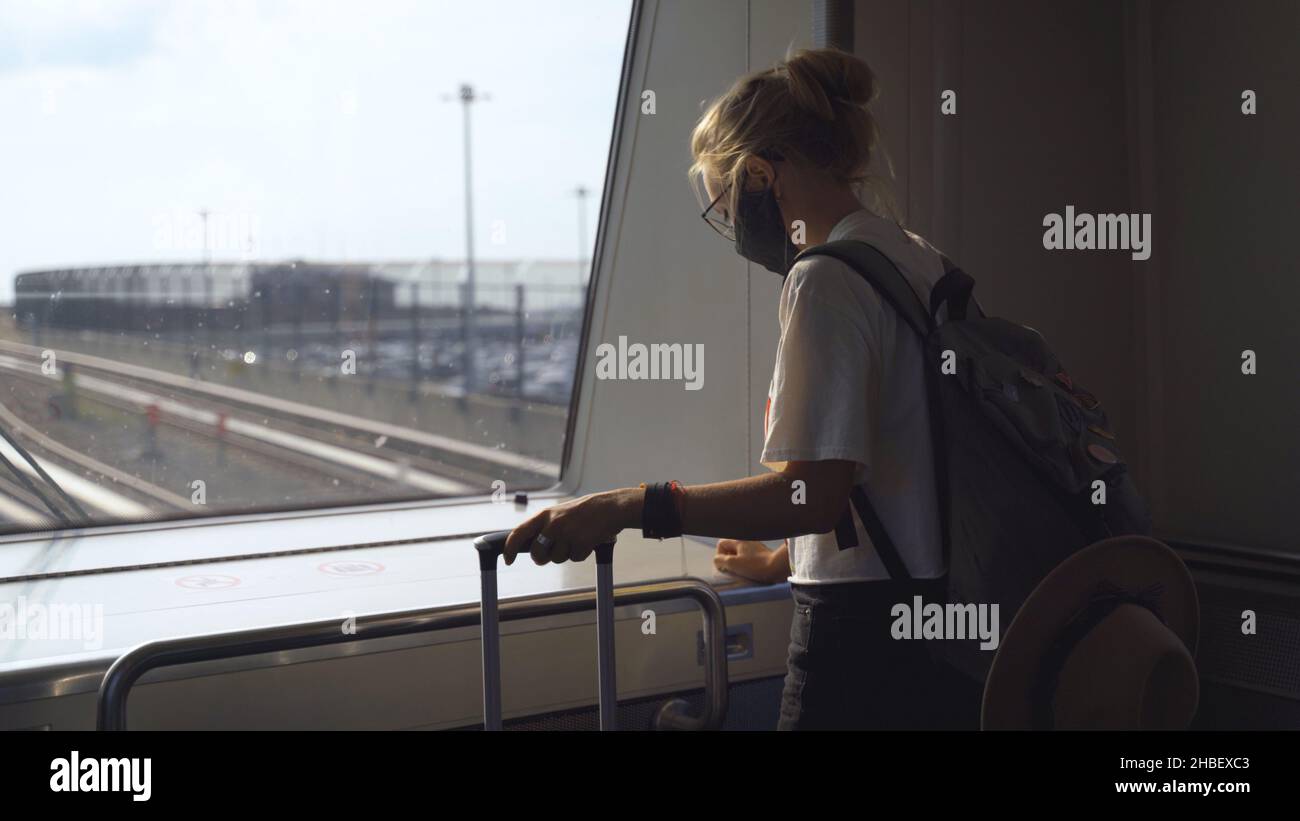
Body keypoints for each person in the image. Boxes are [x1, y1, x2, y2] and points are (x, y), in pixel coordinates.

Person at [505, 47, 979, 729]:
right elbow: (900, 462)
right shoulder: (913, 255)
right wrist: (783, 557)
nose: (731, 228)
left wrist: (627, 505)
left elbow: (813, 493)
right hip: (935, 622)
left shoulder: (826, 280)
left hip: (861, 641)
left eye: (724, 205)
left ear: (761, 175)